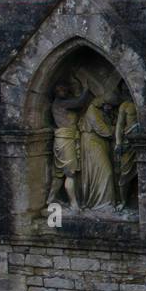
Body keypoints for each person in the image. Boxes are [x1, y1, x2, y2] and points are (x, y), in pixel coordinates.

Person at [46, 81, 91, 211]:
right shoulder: (61, 103)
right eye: (60, 90)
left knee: (59, 173)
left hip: (64, 138)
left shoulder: (60, 103)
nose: (63, 92)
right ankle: (74, 204)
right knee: (70, 173)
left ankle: (51, 199)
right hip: (65, 139)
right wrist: (86, 89)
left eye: (65, 90)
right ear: (56, 92)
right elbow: (79, 102)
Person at [78, 96, 117, 211]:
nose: (109, 107)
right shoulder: (92, 110)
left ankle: (104, 202)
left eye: (111, 105)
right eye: (107, 104)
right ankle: (101, 203)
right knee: (106, 171)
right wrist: (117, 130)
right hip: (92, 143)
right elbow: (101, 128)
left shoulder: (101, 112)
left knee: (100, 172)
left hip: (100, 142)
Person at [114, 97, 139, 211]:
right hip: (128, 144)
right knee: (124, 174)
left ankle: (137, 200)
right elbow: (119, 124)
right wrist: (118, 142)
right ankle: (123, 201)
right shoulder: (125, 105)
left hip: (143, 144)